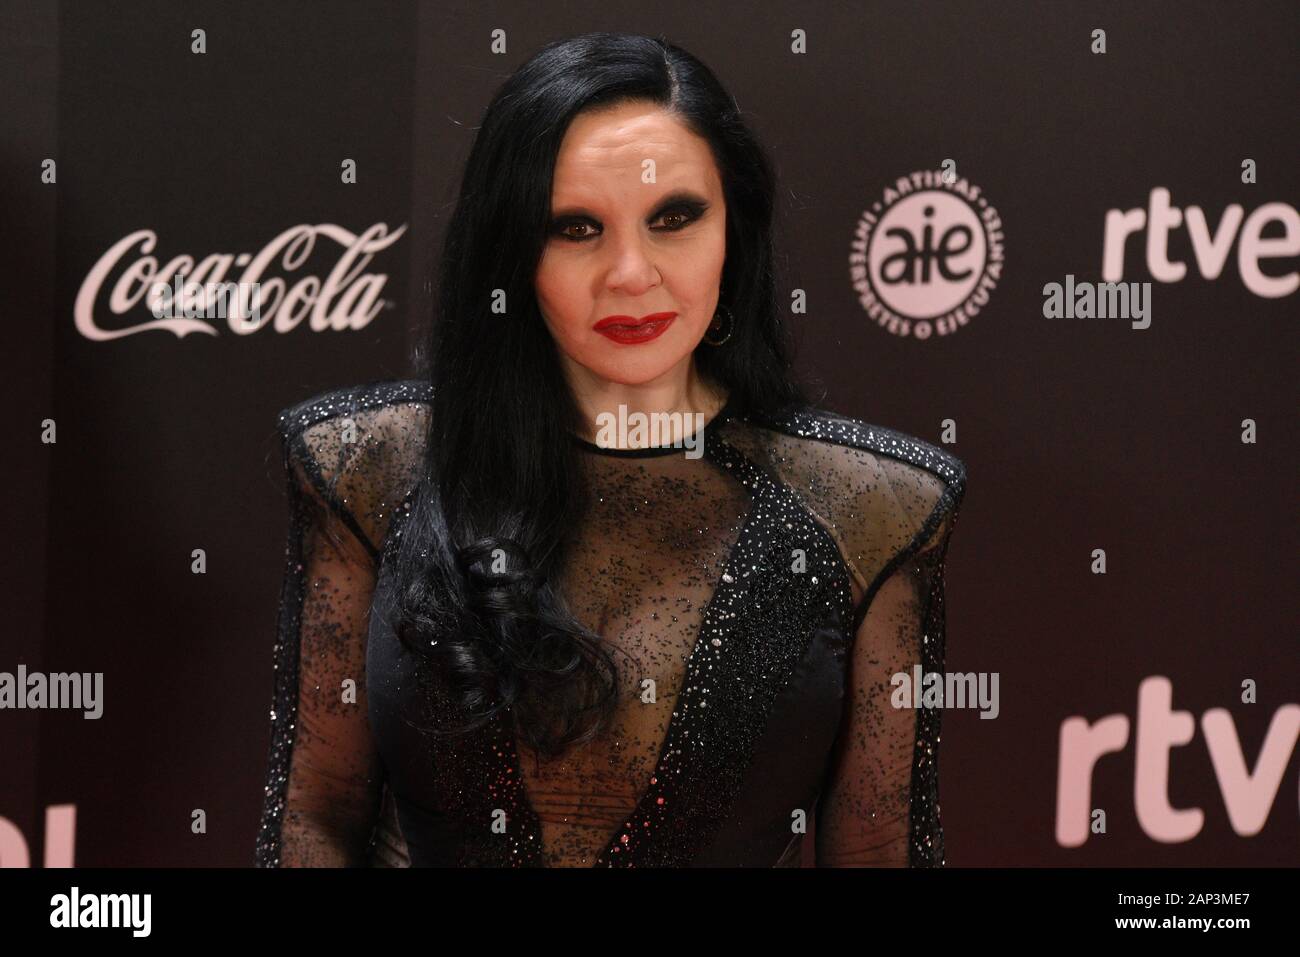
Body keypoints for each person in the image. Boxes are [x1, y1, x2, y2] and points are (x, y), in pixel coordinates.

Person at [254, 32, 967, 868]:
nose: (631, 273)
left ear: (736, 225)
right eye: (576, 228)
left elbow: (880, 850)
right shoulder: (364, 468)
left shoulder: (877, 507)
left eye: (674, 217)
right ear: (513, 251)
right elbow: (314, 818)